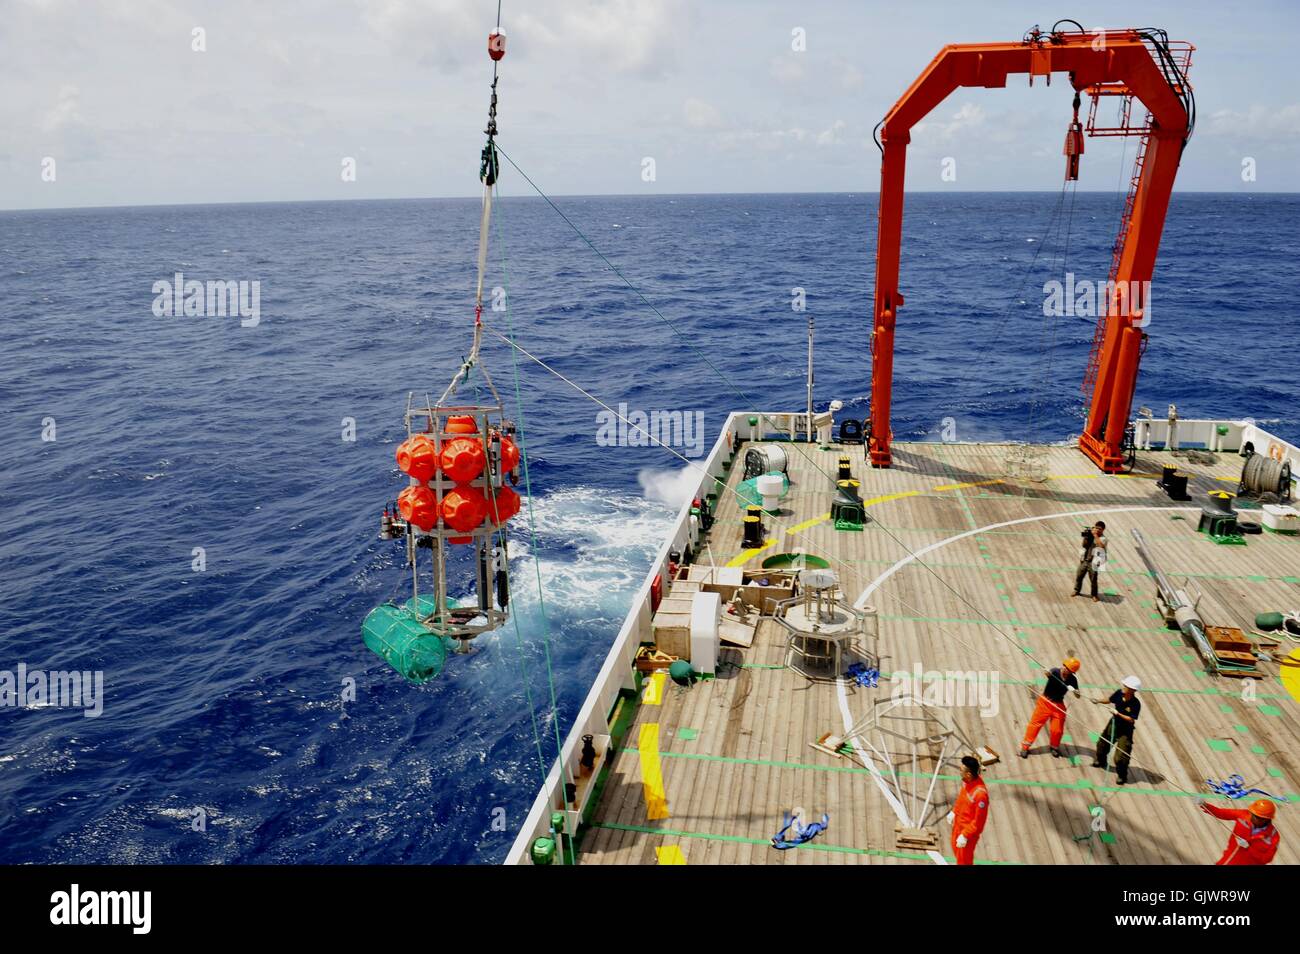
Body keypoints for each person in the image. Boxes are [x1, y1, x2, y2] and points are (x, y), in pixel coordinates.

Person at [1019, 657, 1081, 758]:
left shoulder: (1072, 680)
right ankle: (1025, 747)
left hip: (1058, 705)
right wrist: (1047, 672)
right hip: (1045, 702)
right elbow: (1048, 674)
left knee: (1057, 730)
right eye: (1065, 666)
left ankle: (1054, 747)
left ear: (1072, 672)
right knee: (1035, 725)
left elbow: (1078, 696)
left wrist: (1075, 691)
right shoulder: (1055, 671)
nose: (1065, 669)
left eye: (1068, 669)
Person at [1198, 798, 1280, 865]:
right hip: (1228, 860)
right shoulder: (1244, 815)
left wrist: (1249, 848)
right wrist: (1206, 805)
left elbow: (1266, 859)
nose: (1252, 817)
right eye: (1252, 814)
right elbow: (1222, 813)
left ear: (1265, 819)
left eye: (1256, 816)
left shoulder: (1273, 837)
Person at [1091, 675, 1141, 785]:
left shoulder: (1136, 704)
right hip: (1113, 724)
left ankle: (1122, 776)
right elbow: (1109, 700)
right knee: (1102, 744)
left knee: (1121, 757)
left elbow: (1131, 720)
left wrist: (1118, 713)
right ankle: (1101, 760)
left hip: (1126, 731)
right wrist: (1098, 700)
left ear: (1133, 690)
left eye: (1127, 686)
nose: (1124, 687)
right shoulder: (1119, 693)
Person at [945, 755, 989, 866]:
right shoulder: (967, 781)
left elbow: (979, 822)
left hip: (968, 833)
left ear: (968, 774)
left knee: (964, 861)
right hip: (958, 825)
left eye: (961, 770)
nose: (959, 772)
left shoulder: (980, 795)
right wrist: (954, 811)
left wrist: (965, 835)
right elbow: (961, 798)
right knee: (956, 851)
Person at [1072, 521, 1107, 602]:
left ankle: (1094, 595)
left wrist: (1095, 535)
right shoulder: (1090, 535)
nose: (1097, 530)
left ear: (1103, 530)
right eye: (1096, 528)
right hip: (1085, 560)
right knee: (1079, 576)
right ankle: (1076, 590)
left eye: (1100, 529)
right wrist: (1087, 537)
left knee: (1093, 579)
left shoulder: (1103, 538)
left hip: (1094, 561)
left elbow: (1101, 546)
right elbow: (1084, 545)